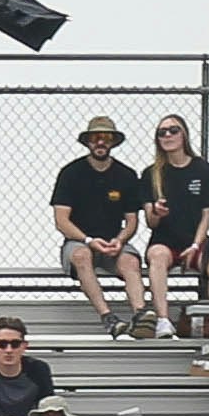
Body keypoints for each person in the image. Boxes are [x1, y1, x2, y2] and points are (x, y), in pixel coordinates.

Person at [54, 118, 159, 336]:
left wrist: (120, 240)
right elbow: (62, 220)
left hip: (113, 241)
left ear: (113, 142)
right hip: (79, 241)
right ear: (87, 142)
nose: (100, 142)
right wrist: (88, 240)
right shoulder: (71, 173)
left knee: (131, 260)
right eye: (95, 138)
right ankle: (108, 317)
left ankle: (141, 314)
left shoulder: (126, 175)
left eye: (106, 138)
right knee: (82, 256)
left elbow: (132, 220)